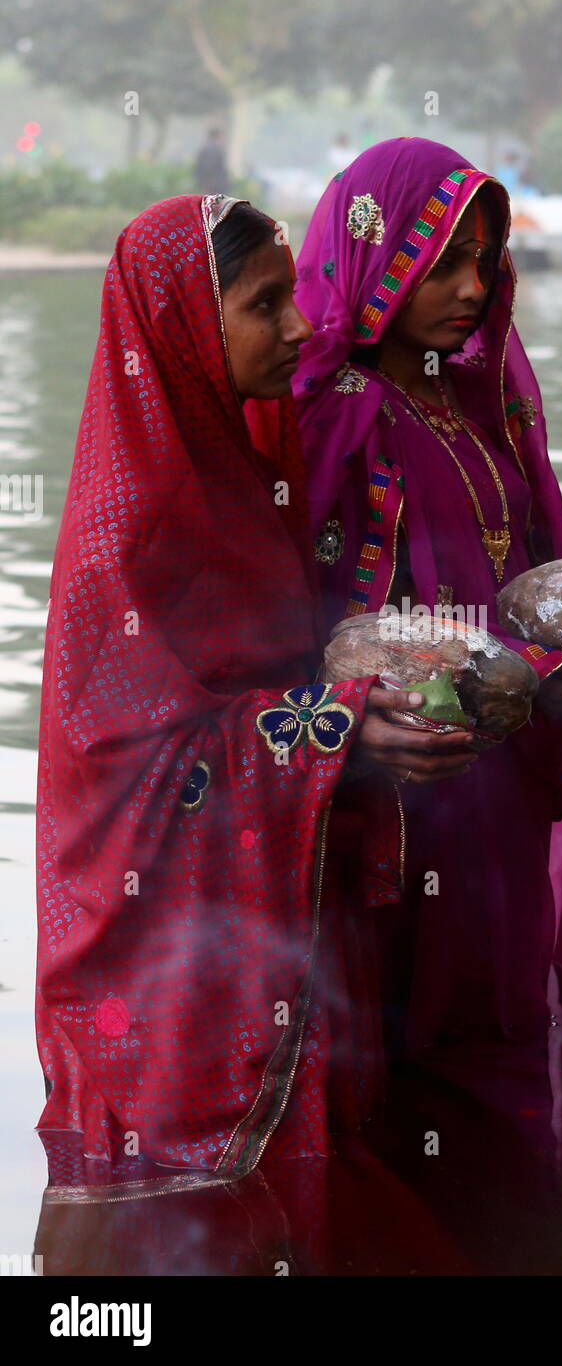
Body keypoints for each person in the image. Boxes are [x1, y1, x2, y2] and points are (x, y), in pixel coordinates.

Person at [33, 191, 477, 1207]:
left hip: (278, 933)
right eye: (262, 303)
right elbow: (128, 777)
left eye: (294, 297)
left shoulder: (249, 478)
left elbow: (270, 682)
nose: (299, 327)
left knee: (306, 1217)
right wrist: (333, 729)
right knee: (166, 1225)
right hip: (162, 978)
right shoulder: (125, 544)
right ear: (185, 323)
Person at [287, 137, 562, 1068]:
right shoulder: (336, 416)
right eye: (444, 259)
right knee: (403, 1051)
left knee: (495, 1052)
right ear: (378, 256)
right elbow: (310, 621)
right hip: (402, 789)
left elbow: (518, 587)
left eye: (485, 261)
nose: (472, 286)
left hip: (497, 784)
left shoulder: (477, 411)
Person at [194, 125, 228, 195]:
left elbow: (198, 167)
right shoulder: (214, 150)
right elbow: (211, 167)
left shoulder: (204, 149)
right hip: (213, 185)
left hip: (207, 183)